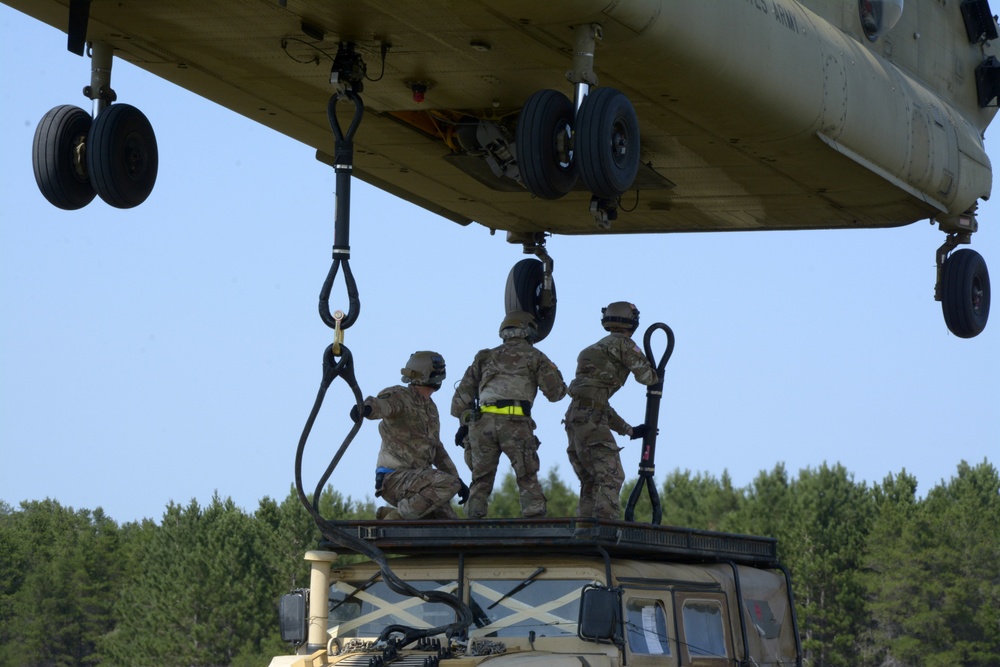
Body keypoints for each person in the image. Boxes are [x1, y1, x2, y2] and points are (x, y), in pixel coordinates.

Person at [451, 311, 567, 518]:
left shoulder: (484, 356)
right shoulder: (535, 356)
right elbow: (555, 393)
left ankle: (471, 526)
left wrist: (464, 426)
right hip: (515, 422)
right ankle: (535, 526)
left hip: (481, 422)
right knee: (526, 477)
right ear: (529, 332)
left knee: (480, 480)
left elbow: (460, 399)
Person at [564, 302, 658, 519]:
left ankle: (585, 530)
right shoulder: (624, 345)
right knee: (611, 476)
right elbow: (647, 377)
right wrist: (656, 374)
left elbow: (596, 403)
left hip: (574, 417)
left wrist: (629, 431)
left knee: (591, 480)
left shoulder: (591, 350)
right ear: (632, 321)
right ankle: (605, 529)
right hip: (591, 419)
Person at [352, 350, 469, 520]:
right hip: (395, 478)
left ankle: (395, 514)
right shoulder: (400, 396)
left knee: (449, 522)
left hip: (419, 483)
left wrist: (458, 481)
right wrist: (366, 409)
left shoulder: (431, 408)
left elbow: (437, 449)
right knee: (448, 484)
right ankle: (397, 517)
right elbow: (382, 405)